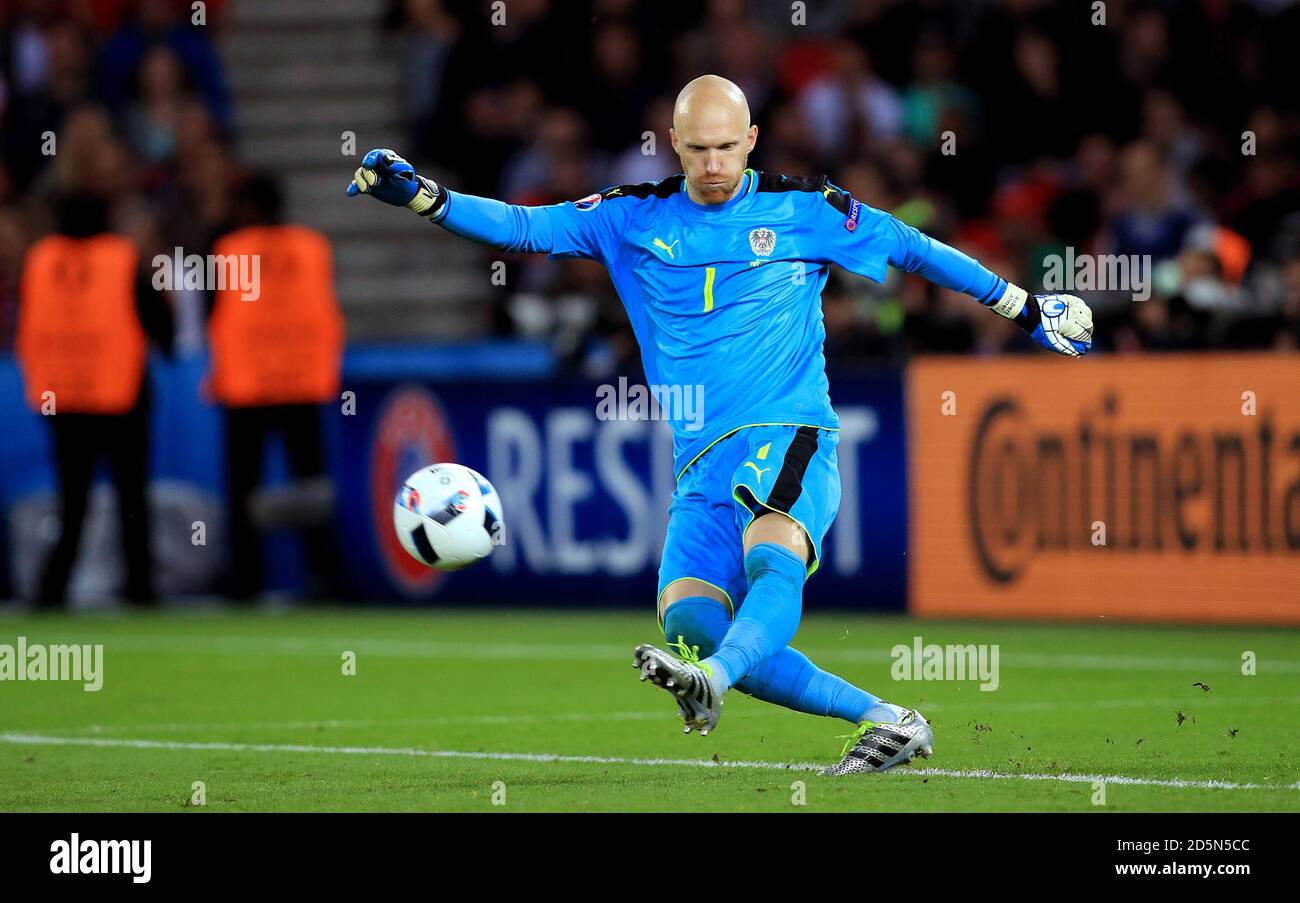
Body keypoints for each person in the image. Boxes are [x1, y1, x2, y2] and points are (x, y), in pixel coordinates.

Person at [346, 75, 1093, 775]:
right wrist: (426, 198)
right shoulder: (630, 217)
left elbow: (909, 246)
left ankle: (712, 681)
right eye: (698, 147)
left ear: (753, 139)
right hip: (700, 462)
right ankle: (888, 718)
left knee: (771, 555)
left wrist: (1024, 306)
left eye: (727, 146)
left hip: (789, 429)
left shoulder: (806, 208)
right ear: (674, 142)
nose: (712, 163)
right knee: (693, 623)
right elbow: (521, 227)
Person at [15, 194, 174, 607]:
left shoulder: (42, 261)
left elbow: (26, 326)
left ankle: (52, 592)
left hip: (63, 400)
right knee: (131, 499)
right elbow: (157, 316)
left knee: (72, 503)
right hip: (122, 396)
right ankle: (140, 589)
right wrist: (168, 345)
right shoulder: (119, 258)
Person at [207, 174, 344, 600]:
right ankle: (323, 576)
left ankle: (246, 579)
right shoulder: (312, 248)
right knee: (311, 487)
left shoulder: (230, 249)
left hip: (247, 387)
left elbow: (216, 314)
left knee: (243, 489)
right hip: (301, 383)